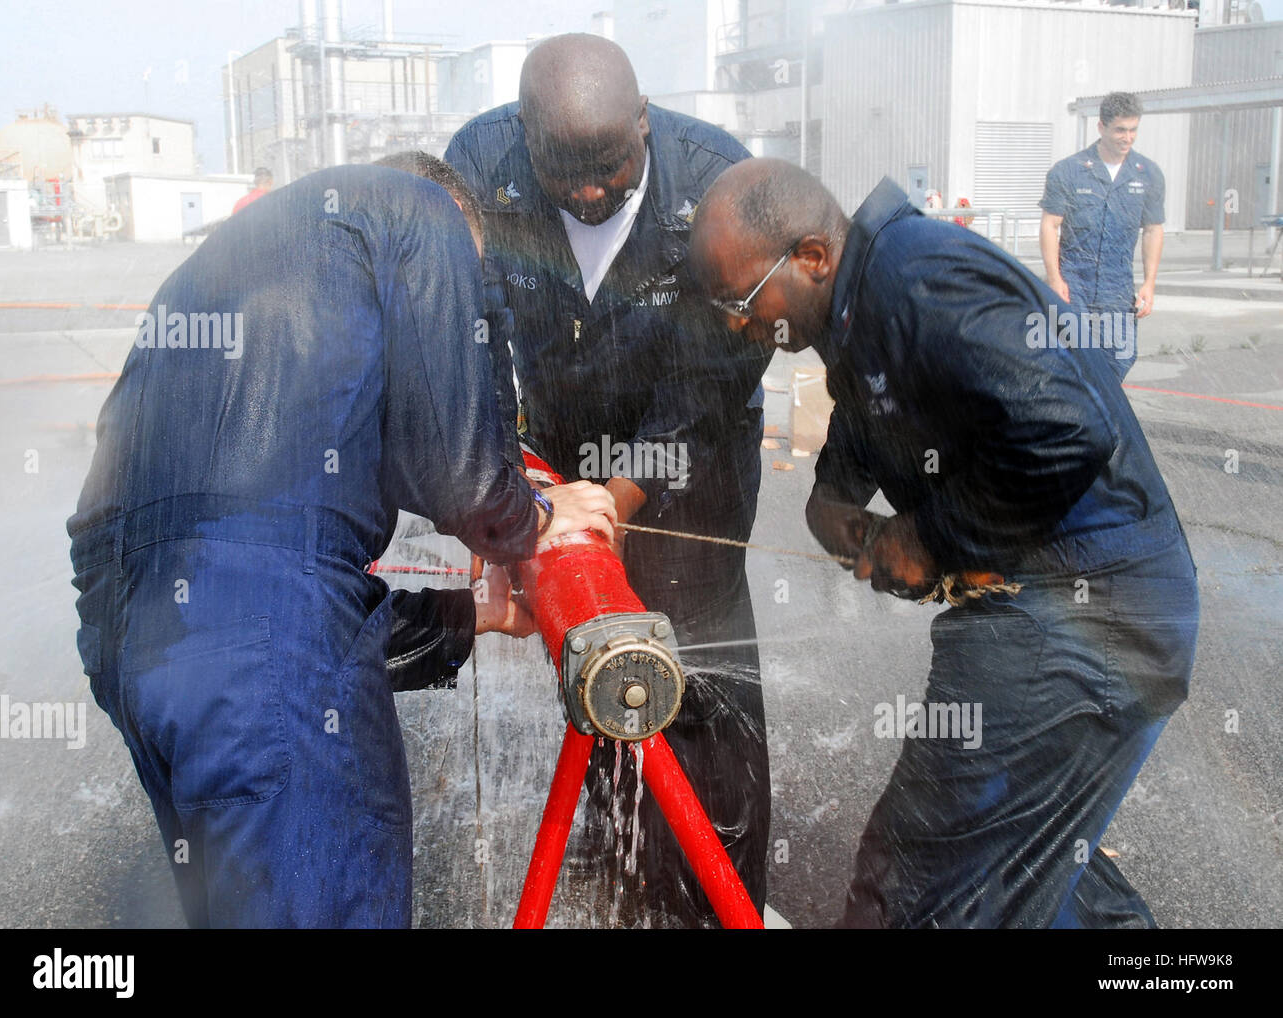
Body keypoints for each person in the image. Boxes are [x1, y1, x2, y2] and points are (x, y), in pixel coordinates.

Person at [67, 154, 616, 928]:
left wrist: (474, 614)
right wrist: (534, 513)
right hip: (247, 641)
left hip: (123, 637)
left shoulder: (246, 261)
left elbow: (277, 610)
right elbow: (459, 477)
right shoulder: (425, 213)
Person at [688, 158, 1199, 928]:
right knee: (1038, 869)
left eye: (741, 299)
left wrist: (929, 536)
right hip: (1067, 608)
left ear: (813, 257)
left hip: (1086, 618)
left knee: (916, 882)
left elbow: (1063, 433)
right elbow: (886, 396)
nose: (735, 324)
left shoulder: (919, 276)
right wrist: (834, 495)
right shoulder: (861, 303)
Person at [445, 33, 773, 927]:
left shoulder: (716, 182)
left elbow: (712, 381)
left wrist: (617, 500)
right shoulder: (479, 165)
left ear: (644, 121)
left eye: (610, 166)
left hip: (689, 472)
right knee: (593, 656)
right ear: (524, 134)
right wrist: (520, 484)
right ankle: (628, 833)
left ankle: (724, 883)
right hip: (560, 466)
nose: (591, 191)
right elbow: (468, 335)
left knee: (702, 687)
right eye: (566, 172)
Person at [1040, 91, 1165, 380]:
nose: (1127, 137)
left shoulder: (1147, 174)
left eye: (1133, 130)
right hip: (1074, 282)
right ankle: (1075, 419)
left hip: (1117, 285)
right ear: (1101, 127)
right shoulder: (1069, 172)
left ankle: (1099, 418)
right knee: (1071, 357)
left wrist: (1149, 282)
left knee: (1119, 358)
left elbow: (1153, 229)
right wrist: (1054, 278)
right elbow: (1050, 225)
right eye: (1120, 129)